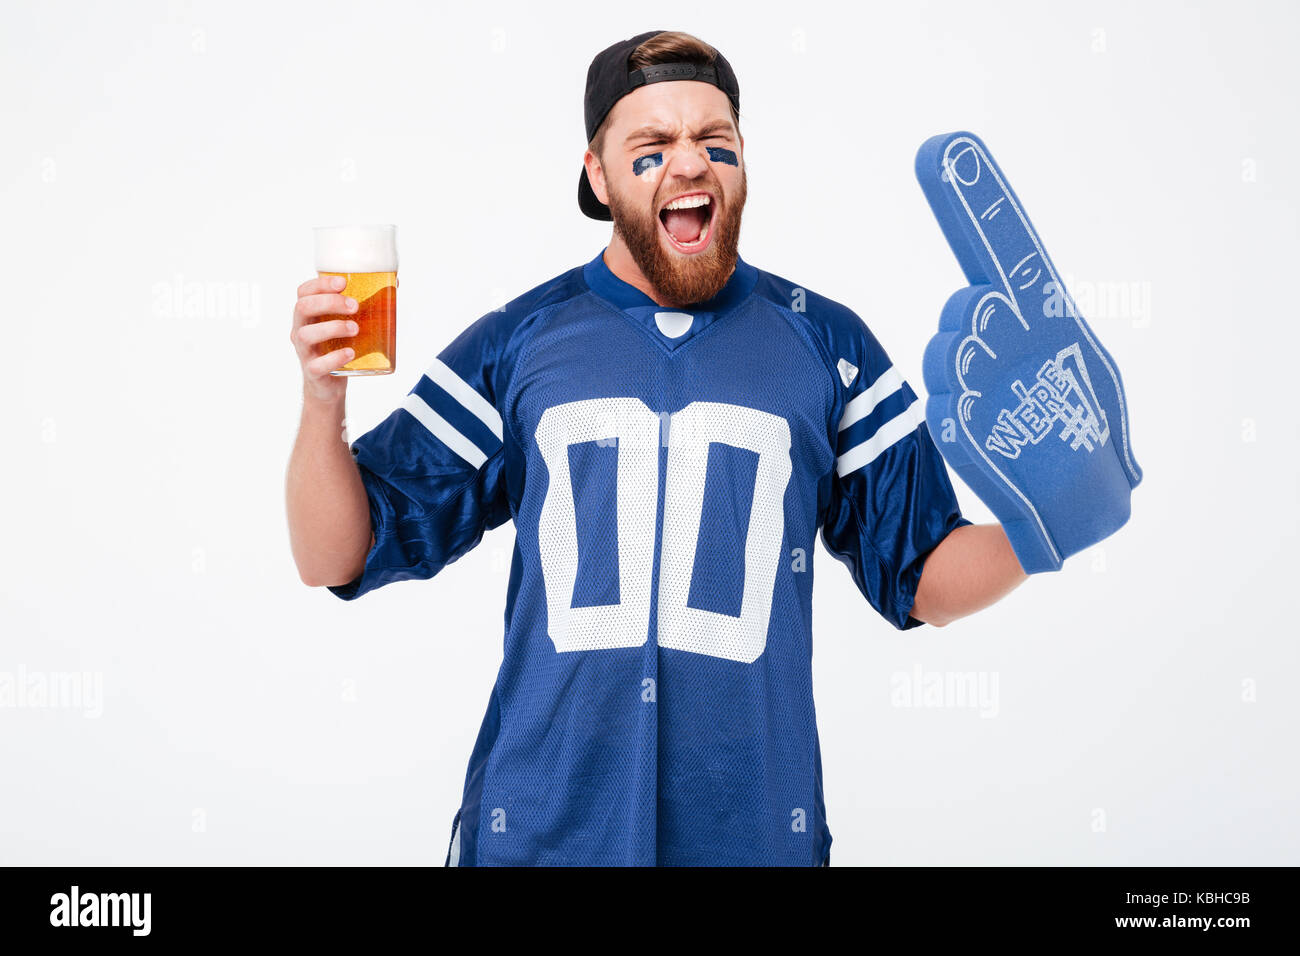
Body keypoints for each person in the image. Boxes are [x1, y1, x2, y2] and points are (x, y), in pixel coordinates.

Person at [286, 29, 1027, 866]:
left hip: (751, 839)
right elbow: (335, 556)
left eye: (717, 142)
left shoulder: (829, 343)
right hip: (539, 836)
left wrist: (1049, 526)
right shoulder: (519, 341)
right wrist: (323, 400)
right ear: (598, 176)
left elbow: (923, 573)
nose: (690, 164)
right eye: (654, 145)